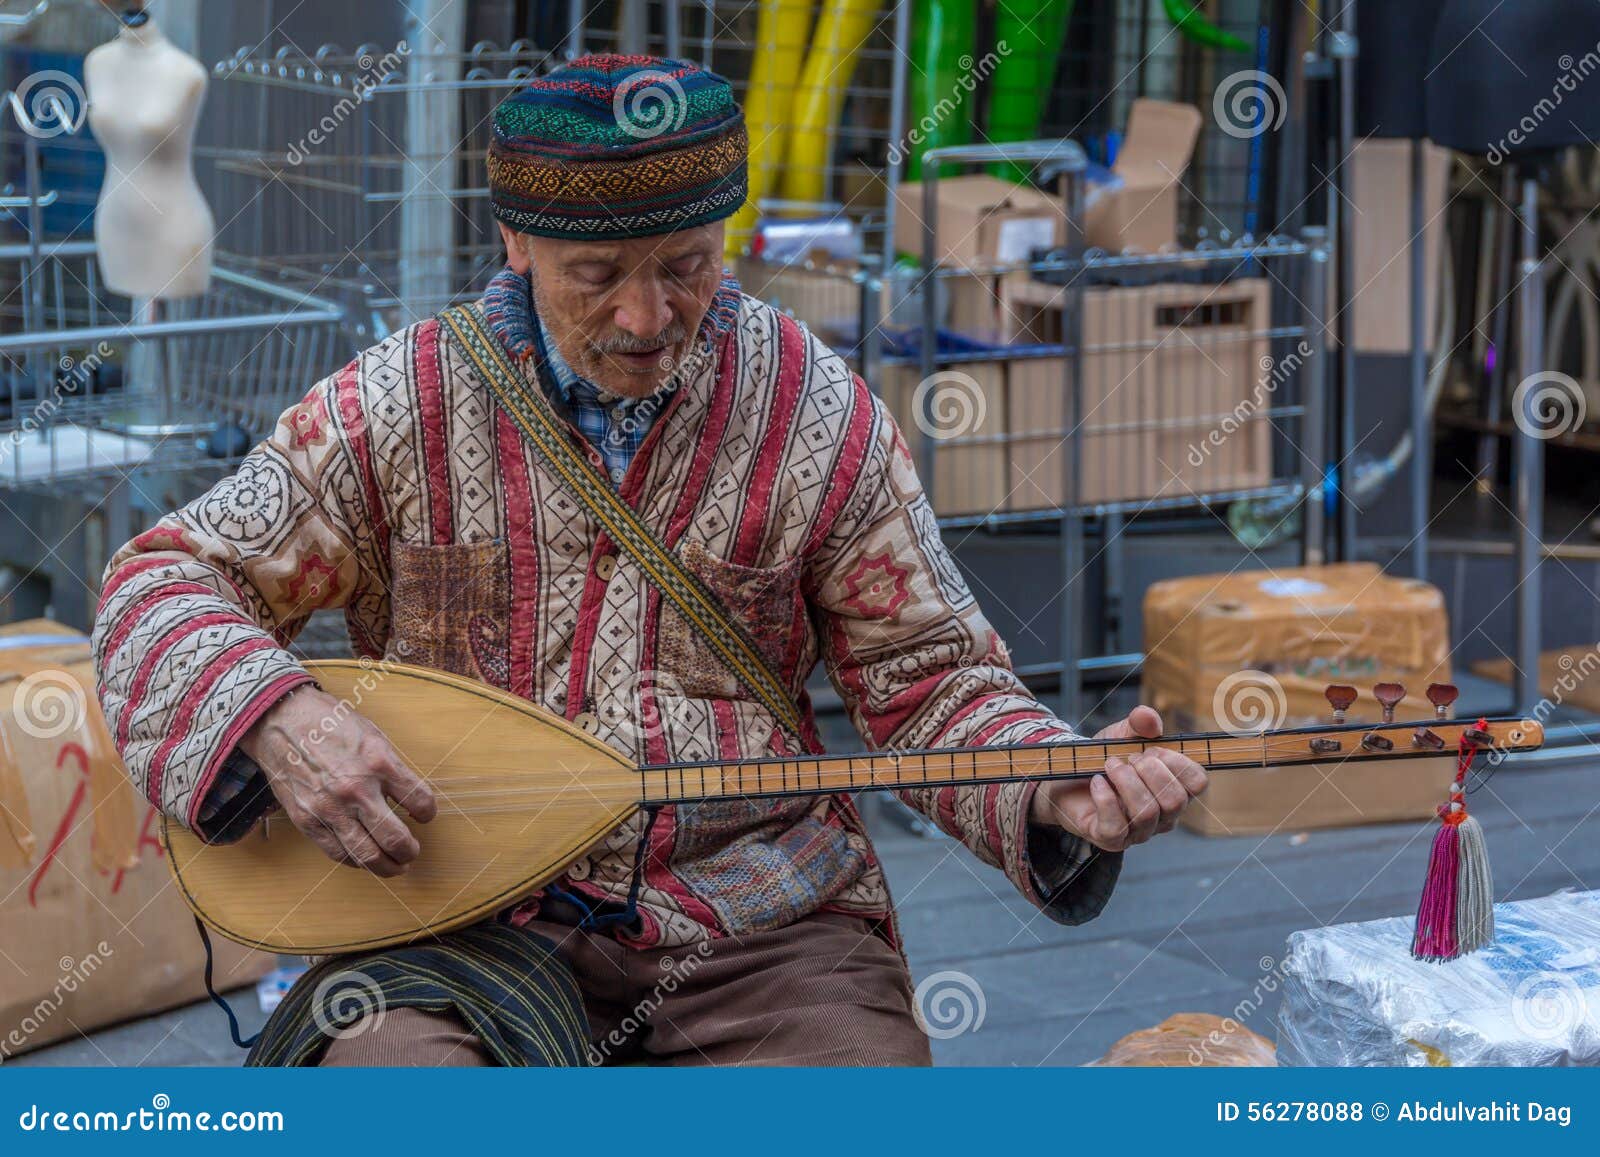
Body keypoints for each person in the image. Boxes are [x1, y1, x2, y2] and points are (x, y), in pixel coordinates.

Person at [91, 54, 1207, 1067]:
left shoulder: (814, 408)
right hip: (451, 915)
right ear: (516, 243)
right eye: (597, 272)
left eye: (685, 265)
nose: (646, 314)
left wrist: (1049, 778)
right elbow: (163, 580)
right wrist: (279, 716)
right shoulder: (398, 403)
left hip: (755, 920)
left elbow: (932, 679)